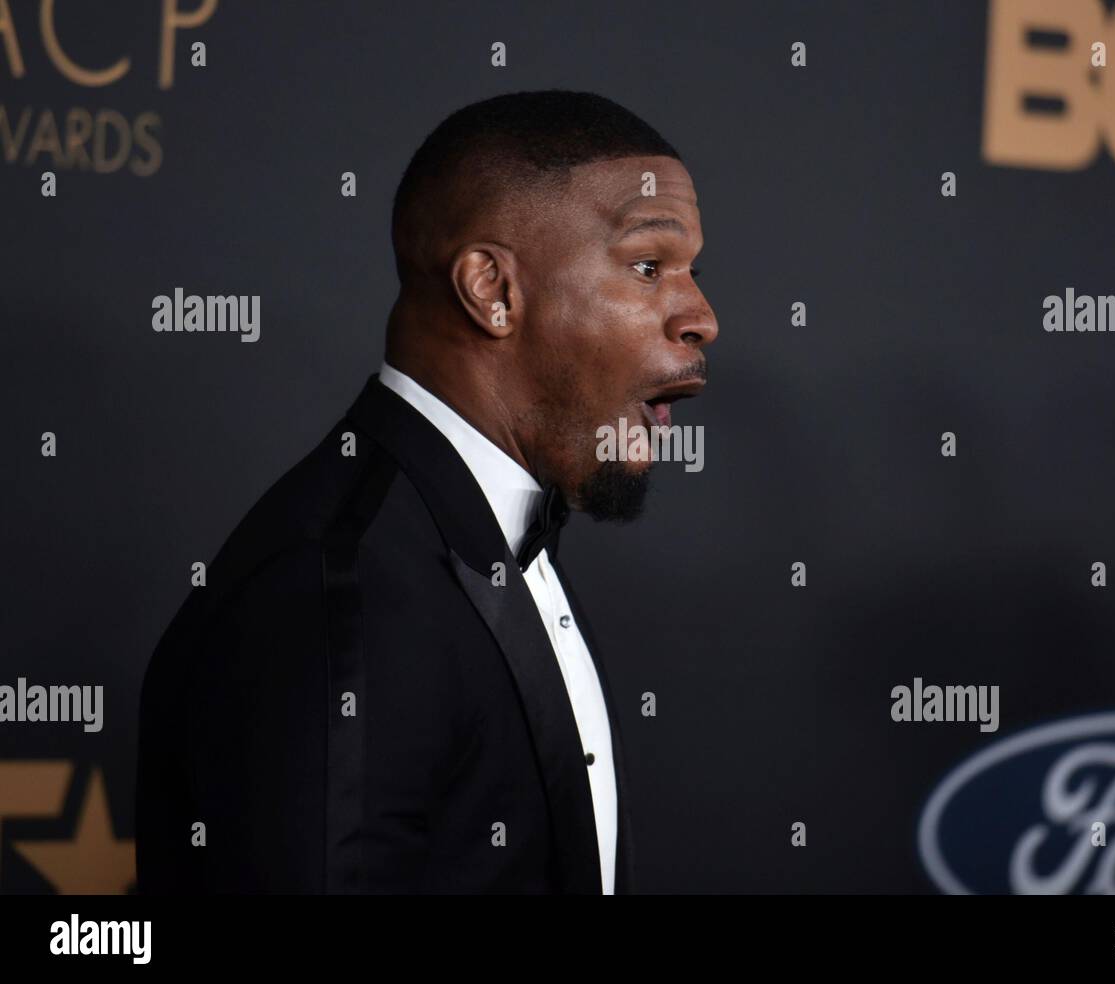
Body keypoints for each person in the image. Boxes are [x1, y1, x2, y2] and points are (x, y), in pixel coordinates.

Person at [135, 89, 719, 894]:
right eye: (649, 267)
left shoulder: (492, 533)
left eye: (692, 274)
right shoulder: (338, 588)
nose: (700, 317)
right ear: (492, 290)